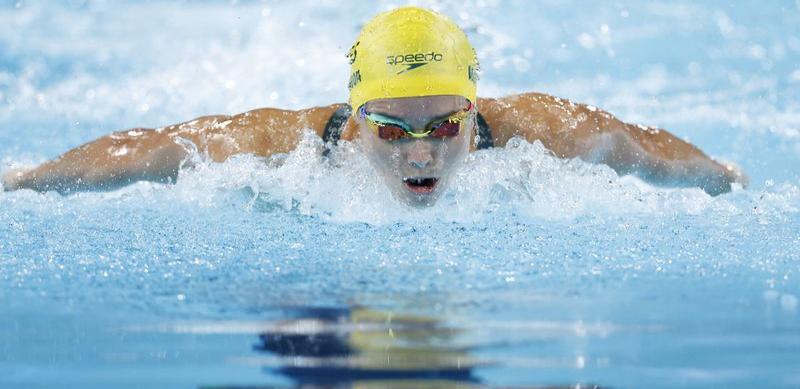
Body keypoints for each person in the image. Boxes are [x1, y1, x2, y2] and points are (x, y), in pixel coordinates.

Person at [1, 7, 747, 207]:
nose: (419, 152)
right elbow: (155, 148)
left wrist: (720, 177)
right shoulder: (291, 142)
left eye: (444, 126)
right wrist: (28, 179)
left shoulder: (536, 130)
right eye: (393, 129)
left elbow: (636, 144)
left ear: (471, 108)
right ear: (358, 121)